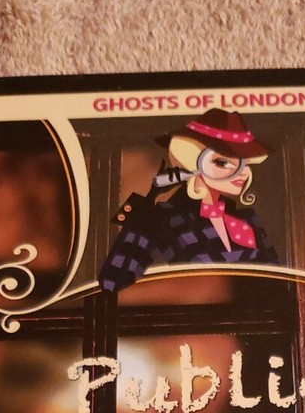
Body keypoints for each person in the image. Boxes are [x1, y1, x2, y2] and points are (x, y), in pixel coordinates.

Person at [98, 109, 279, 293]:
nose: (242, 172)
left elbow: (276, 283)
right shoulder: (164, 218)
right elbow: (112, 280)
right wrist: (151, 197)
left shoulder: (247, 219)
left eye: (245, 163)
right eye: (223, 162)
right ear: (193, 163)